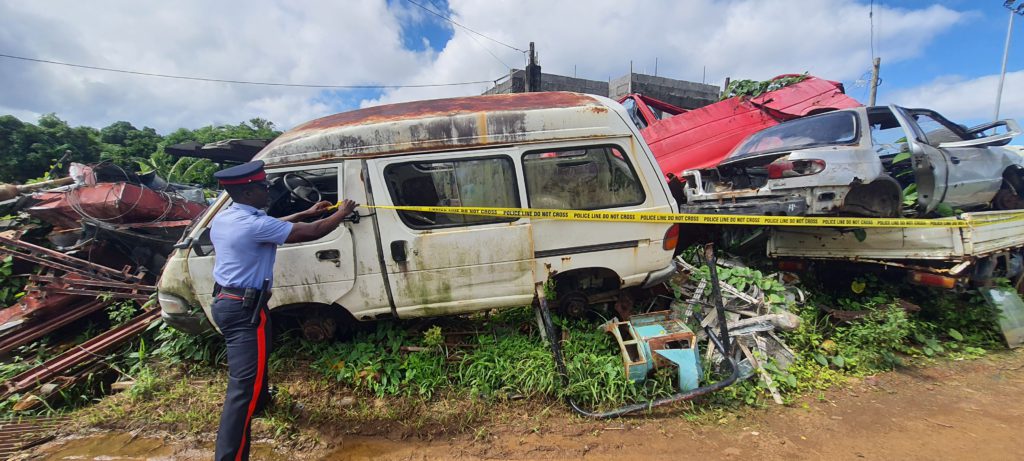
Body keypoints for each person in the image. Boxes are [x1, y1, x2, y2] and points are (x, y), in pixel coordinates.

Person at [209, 160, 357, 461]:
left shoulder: (228, 217)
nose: (268, 190)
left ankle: (262, 402)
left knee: (257, 367)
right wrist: (342, 213)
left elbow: (275, 226)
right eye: (263, 187)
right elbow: (312, 232)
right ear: (248, 193)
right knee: (242, 390)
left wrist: (304, 213)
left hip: (232, 302)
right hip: (243, 308)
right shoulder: (253, 225)